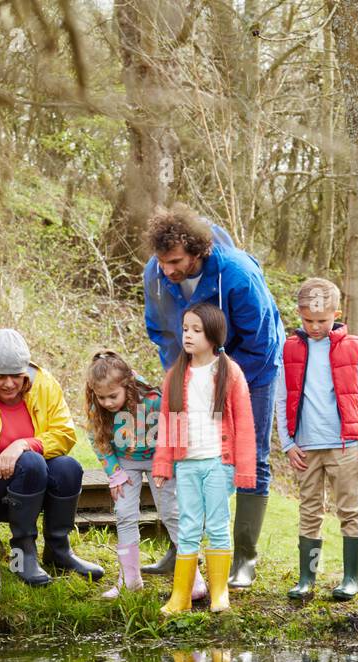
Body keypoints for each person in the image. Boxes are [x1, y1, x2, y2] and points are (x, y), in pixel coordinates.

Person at [141, 204, 282, 590]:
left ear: (198, 252)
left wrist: (224, 386)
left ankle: (243, 557)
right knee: (186, 451)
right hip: (191, 369)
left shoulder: (237, 274)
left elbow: (262, 342)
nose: (167, 269)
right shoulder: (155, 275)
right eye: (161, 260)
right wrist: (183, 380)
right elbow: (161, 331)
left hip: (253, 368)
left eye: (175, 261)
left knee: (249, 454)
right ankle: (182, 548)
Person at [0, 328, 104, 587]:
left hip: (32, 491)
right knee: (32, 463)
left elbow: (65, 434)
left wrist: (23, 444)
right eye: (0, 376)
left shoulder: (44, 385)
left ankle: (59, 550)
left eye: (16, 376)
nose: (9, 384)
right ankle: (21, 557)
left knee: (68, 467)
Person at [275, 277, 358, 601]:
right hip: (306, 447)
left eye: (322, 320)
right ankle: (308, 577)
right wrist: (288, 443)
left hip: (345, 444)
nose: (315, 327)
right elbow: (281, 398)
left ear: (337, 313)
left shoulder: (350, 348)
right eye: (308, 320)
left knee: (349, 509)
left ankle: (351, 577)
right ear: (299, 315)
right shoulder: (289, 348)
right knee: (309, 510)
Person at [152, 303, 257, 614]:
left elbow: (246, 423)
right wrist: (162, 464)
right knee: (187, 526)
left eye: (196, 330)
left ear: (213, 336)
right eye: (185, 329)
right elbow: (167, 424)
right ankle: (180, 596)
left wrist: (245, 470)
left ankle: (219, 593)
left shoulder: (230, 372)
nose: (188, 335)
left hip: (218, 463)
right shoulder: (175, 375)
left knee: (217, 524)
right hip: (186, 465)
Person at [84, 349, 206, 601]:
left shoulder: (152, 399)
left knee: (172, 512)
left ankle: (193, 579)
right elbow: (97, 439)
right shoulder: (98, 406)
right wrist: (114, 473)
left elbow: (175, 429)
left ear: (127, 385)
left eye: (112, 396)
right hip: (124, 462)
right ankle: (130, 580)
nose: (107, 402)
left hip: (158, 458)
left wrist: (168, 463)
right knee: (125, 514)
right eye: (102, 397)